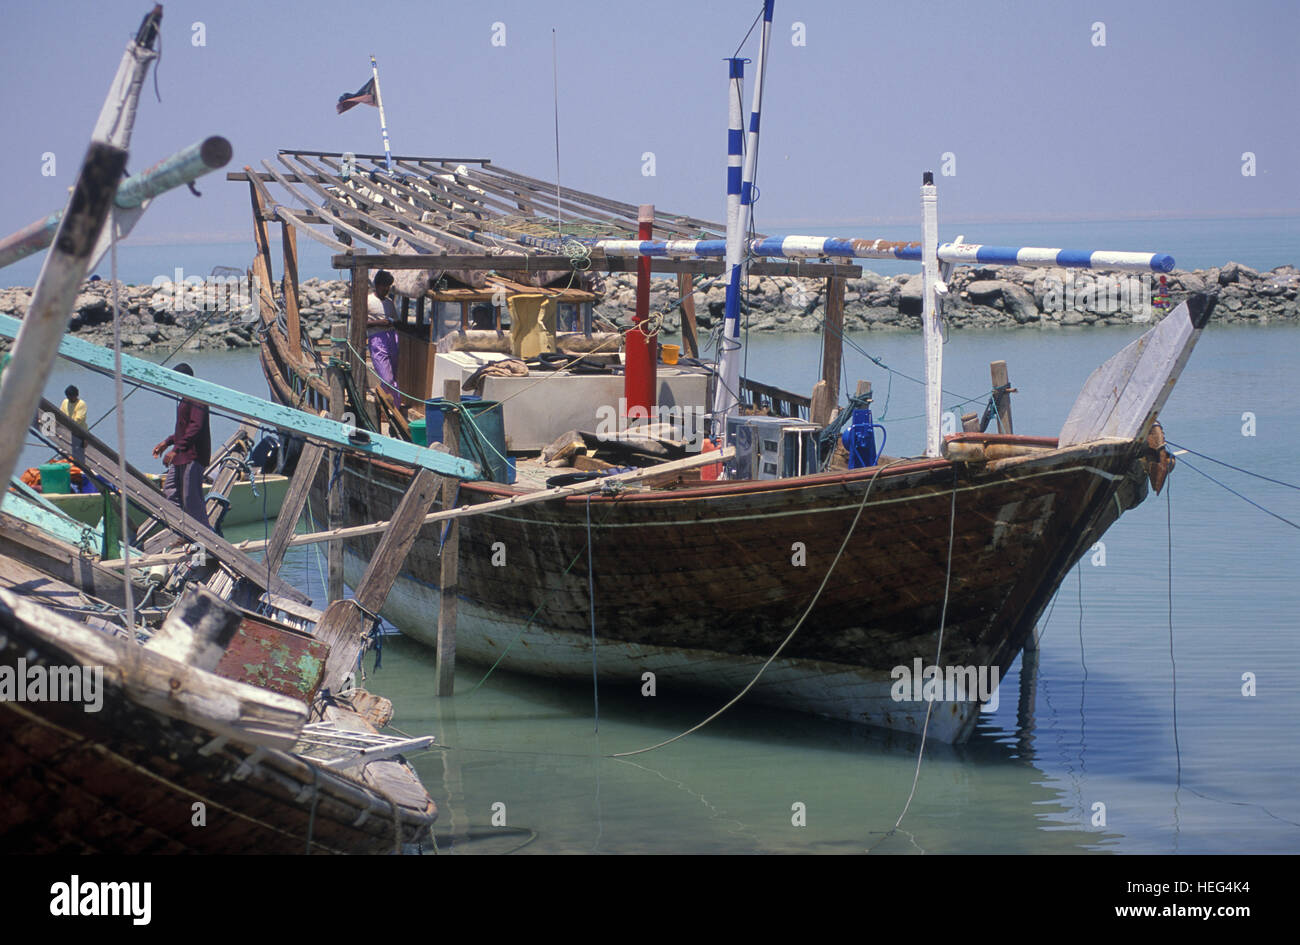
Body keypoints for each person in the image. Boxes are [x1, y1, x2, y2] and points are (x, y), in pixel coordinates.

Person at [151, 363, 212, 527]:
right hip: (182, 456)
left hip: (192, 456)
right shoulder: (185, 398)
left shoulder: (197, 398)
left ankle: (203, 534)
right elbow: (182, 431)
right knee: (171, 491)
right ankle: (184, 530)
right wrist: (166, 443)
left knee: (191, 497)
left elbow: (195, 427)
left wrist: (175, 449)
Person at [367, 270, 402, 409]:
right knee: (386, 378)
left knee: (392, 376)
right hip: (377, 339)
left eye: (388, 287)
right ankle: (387, 406)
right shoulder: (368, 300)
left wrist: (394, 324)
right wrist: (379, 323)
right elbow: (361, 322)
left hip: (392, 338)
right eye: (384, 286)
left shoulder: (389, 302)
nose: (386, 289)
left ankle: (392, 407)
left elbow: (396, 321)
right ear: (377, 285)